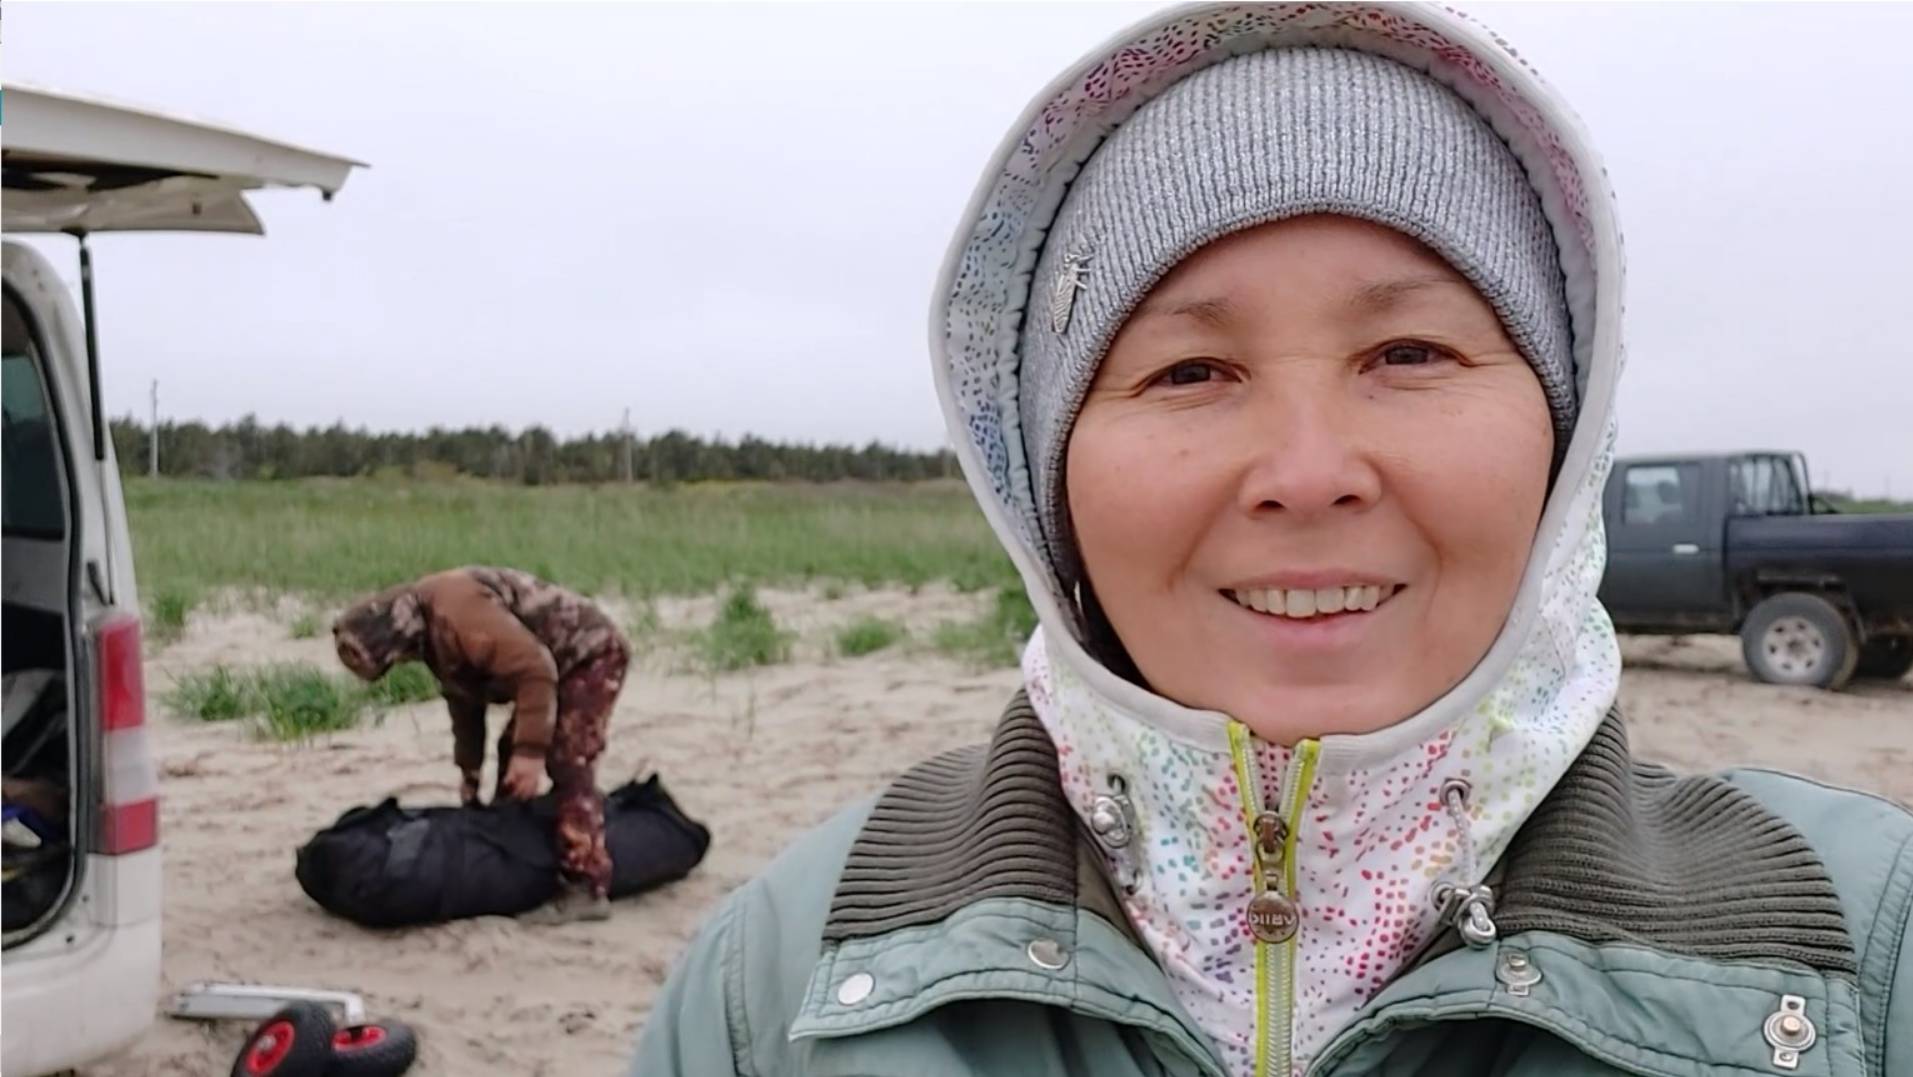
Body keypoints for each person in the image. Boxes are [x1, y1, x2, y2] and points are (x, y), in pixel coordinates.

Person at [634, 4, 1913, 1074]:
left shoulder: (1867, 959)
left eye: (1408, 352)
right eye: (1189, 371)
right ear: (1041, 480)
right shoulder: (776, 989)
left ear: (1564, 439)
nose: (1306, 475)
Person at [332, 566, 630, 925]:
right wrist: (470, 772)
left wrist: (531, 754)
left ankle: (587, 886)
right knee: (512, 752)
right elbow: (465, 703)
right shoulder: (431, 628)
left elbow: (536, 671)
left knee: (569, 760)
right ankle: (514, 847)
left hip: (589, 654)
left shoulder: (458, 610)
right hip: (549, 667)